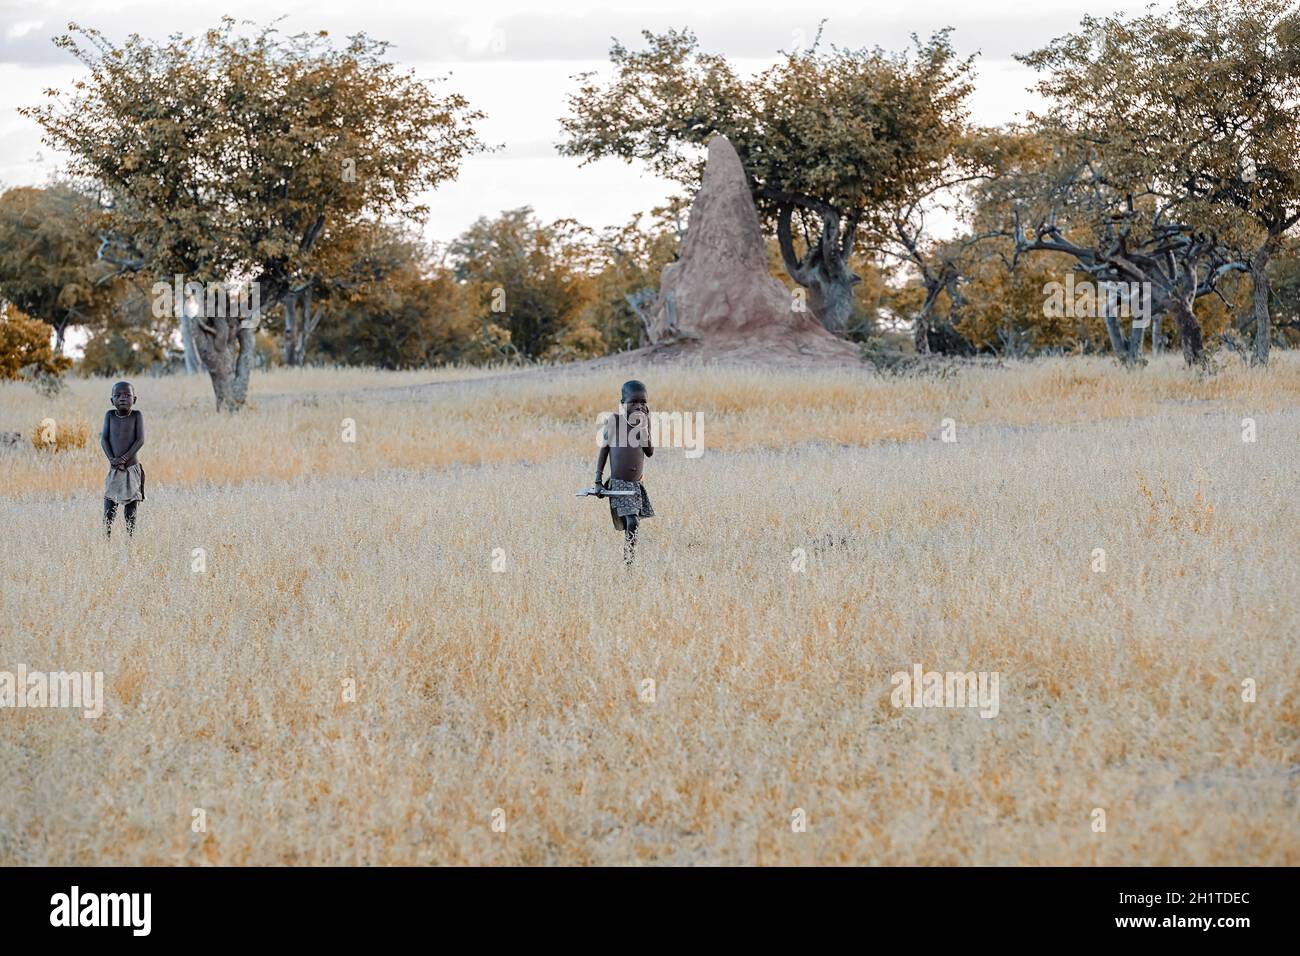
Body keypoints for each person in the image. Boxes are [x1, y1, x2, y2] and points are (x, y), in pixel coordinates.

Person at [594, 380, 654, 564]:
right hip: (619, 482)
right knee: (633, 522)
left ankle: (629, 558)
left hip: (636, 484)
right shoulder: (614, 421)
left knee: (633, 523)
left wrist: (643, 429)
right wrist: (598, 480)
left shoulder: (644, 423)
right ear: (622, 403)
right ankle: (629, 560)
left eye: (643, 402)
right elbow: (604, 450)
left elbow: (649, 452)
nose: (639, 406)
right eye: (633, 402)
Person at [101, 381, 145, 537]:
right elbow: (104, 440)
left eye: (127, 395)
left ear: (135, 399)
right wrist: (112, 459)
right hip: (114, 468)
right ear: (112, 400)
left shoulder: (136, 416)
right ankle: (106, 536)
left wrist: (124, 458)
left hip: (131, 468)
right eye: (117, 395)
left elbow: (140, 440)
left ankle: (130, 538)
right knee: (109, 503)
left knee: (131, 506)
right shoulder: (110, 416)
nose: (122, 398)